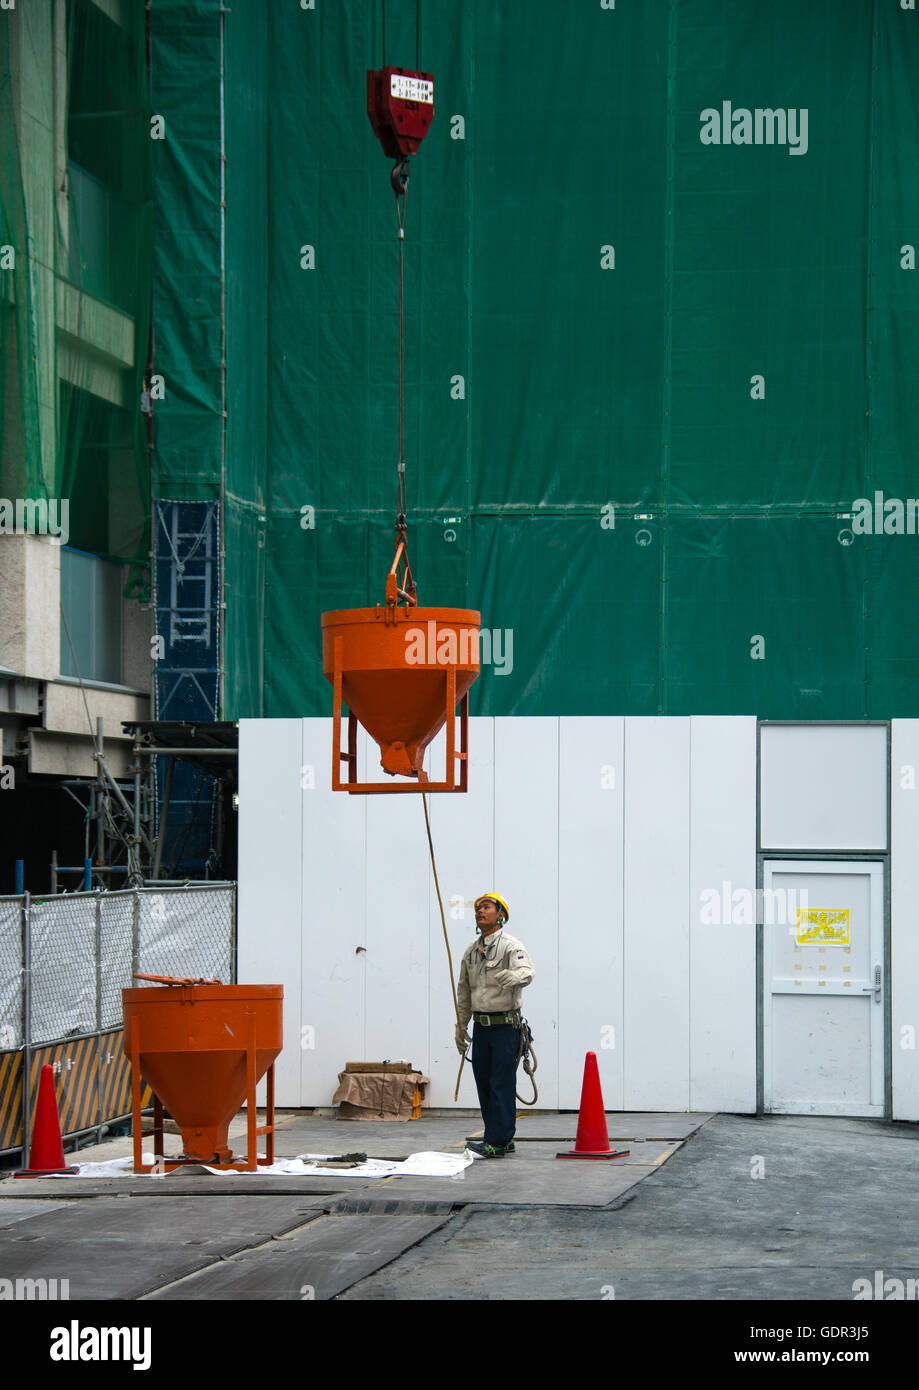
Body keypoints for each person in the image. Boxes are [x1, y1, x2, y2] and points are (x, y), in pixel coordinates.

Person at [455, 892, 534, 1158]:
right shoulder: (471, 953)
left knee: (501, 1082)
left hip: (505, 1027)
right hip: (482, 1028)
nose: (479, 911)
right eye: (477, 908)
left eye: (486, 907)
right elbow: (464, 992)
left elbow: (527, 973)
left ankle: (497, 1140)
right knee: (484, 1083)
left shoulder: (511, 946)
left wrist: (509, 977)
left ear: (501, 915)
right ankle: (499, 1137)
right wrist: (460, 1026)